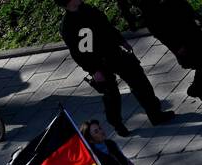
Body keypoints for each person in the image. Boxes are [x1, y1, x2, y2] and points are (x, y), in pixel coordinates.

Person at [55, 0, 173, 136]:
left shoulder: (88, 9)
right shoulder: (69, 26)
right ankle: (117, 124)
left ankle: (155, 114)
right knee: (112, 96)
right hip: (98, 62)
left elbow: (108, 27)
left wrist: (121, 41)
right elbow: (79, 53)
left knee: (139, 81)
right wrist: (94, 70)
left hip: (114, 53)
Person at [116, 0, 202, 110]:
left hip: (187, 24)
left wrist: (193, 15)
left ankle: (199, 88)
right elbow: (157, 27)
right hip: (178, 35)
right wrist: (176, 46)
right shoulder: (149, 6)